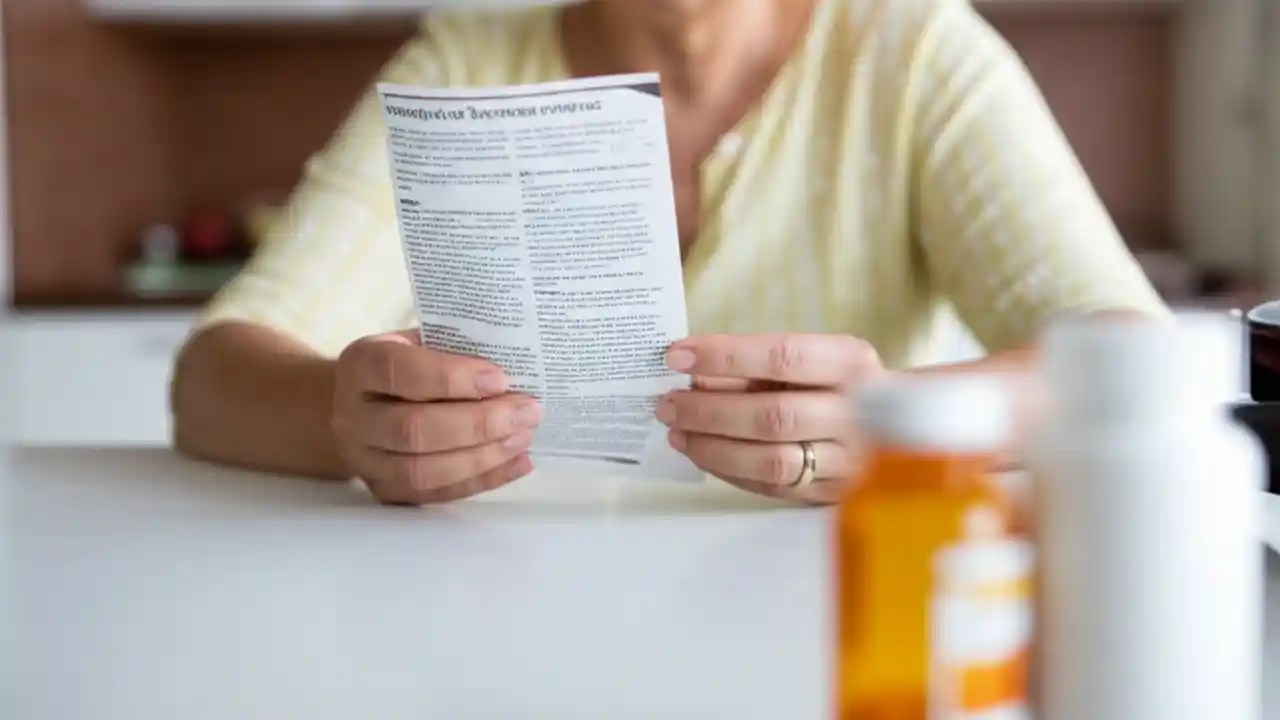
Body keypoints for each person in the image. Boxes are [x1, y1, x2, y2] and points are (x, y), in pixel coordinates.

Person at [172, 0, 1165, 505]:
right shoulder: (468, 59)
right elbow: (213, 375)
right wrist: (345, 423)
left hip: (831, 625)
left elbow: (1136, 363)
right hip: (512, 627)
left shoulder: (912, 52)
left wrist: (905, 427)